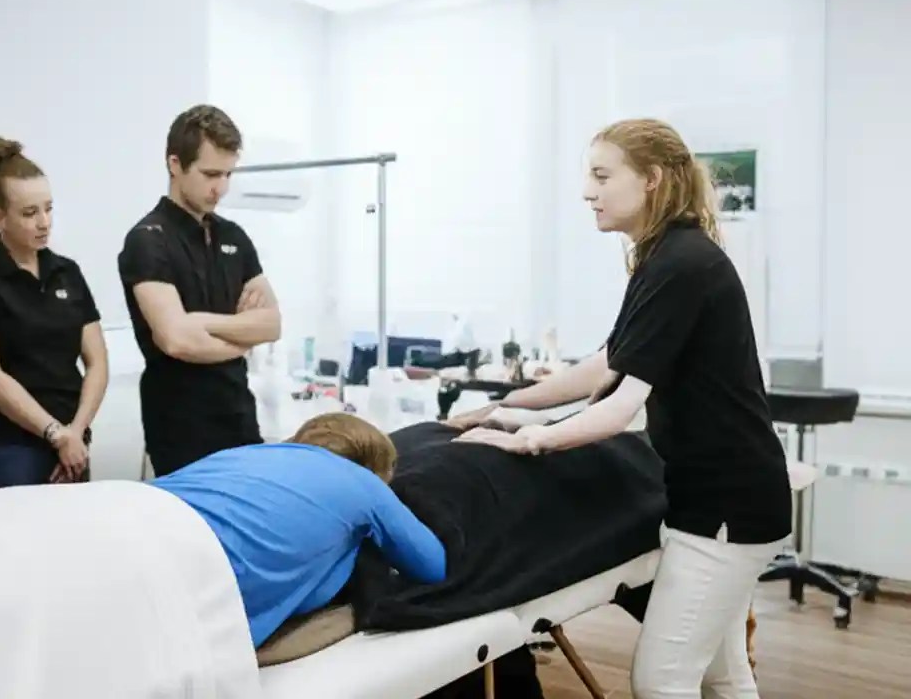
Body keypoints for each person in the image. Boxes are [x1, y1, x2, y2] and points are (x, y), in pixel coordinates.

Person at [453, 118, 790, 699]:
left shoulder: (680, 263)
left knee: (662, 682)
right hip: (728, 498)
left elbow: (618, 405)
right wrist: (507, 406)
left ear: (653, 179)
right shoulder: (666, 255)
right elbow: (606, 363)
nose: (588, 191)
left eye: (602, 175)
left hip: (724, 512)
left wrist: (527, 439)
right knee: (725, 676)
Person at [151, 412, 447, 648]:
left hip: (127, 508)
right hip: (188, 571)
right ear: (380, 468)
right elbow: (432, 566)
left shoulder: (250, 454)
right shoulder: (364, 483)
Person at [118, 104, 281, 477]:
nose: (220, 188)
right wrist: (243, 338)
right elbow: (177, 341)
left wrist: (203, 322)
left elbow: (272, 324)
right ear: (175, 164)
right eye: (210, 174)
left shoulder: (234, 237)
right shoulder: (147, 241)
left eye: (227, 174)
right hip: (181, 426)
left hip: (238, 414)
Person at [0, 137, 108, 491]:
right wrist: (55, 434)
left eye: (48, 208)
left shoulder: (67, 272)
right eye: (29, 213)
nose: (44, 222)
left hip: (72, 445)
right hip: (6, 449)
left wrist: (75, 434)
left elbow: (97, 361)